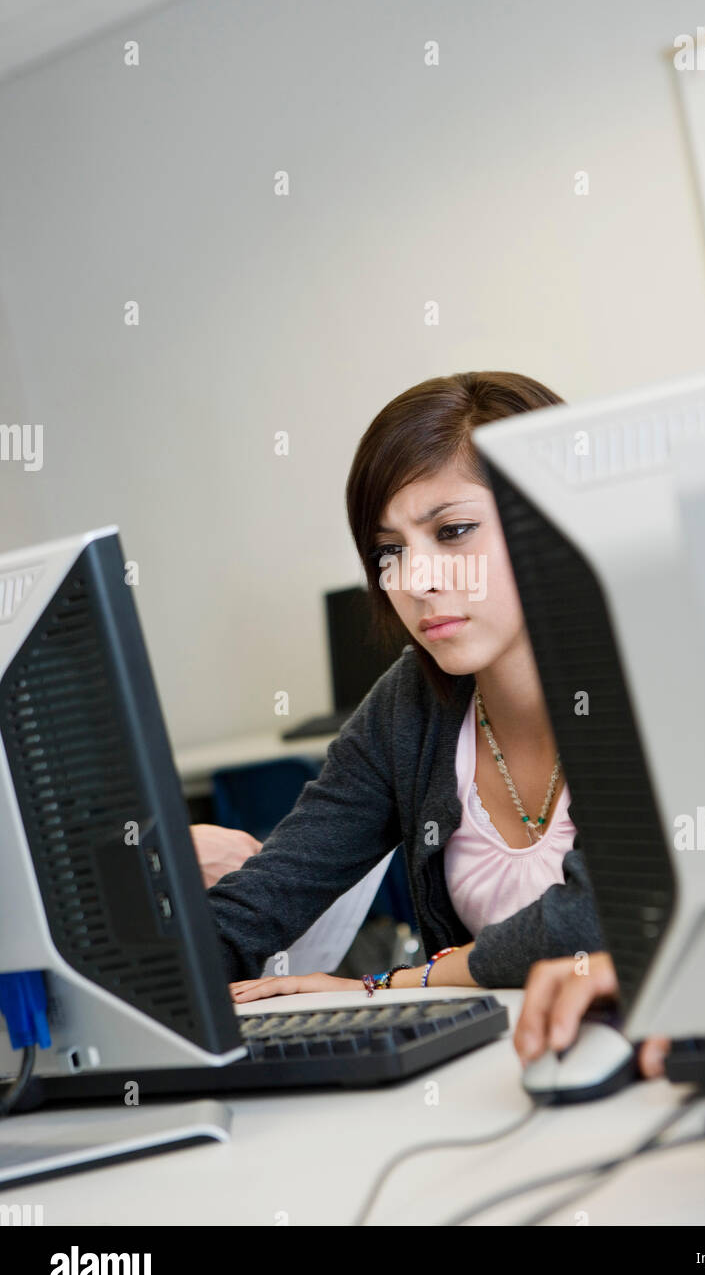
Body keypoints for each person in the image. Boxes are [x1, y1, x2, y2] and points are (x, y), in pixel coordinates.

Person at [194, 371, 666, 1077]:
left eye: (453, 532)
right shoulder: (408, 708)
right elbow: (266, 897)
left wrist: (390, 986)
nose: (414, 578)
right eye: (390, 550)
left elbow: (591, 921)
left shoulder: (648, 673)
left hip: (661, 1065)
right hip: (504, 1077)